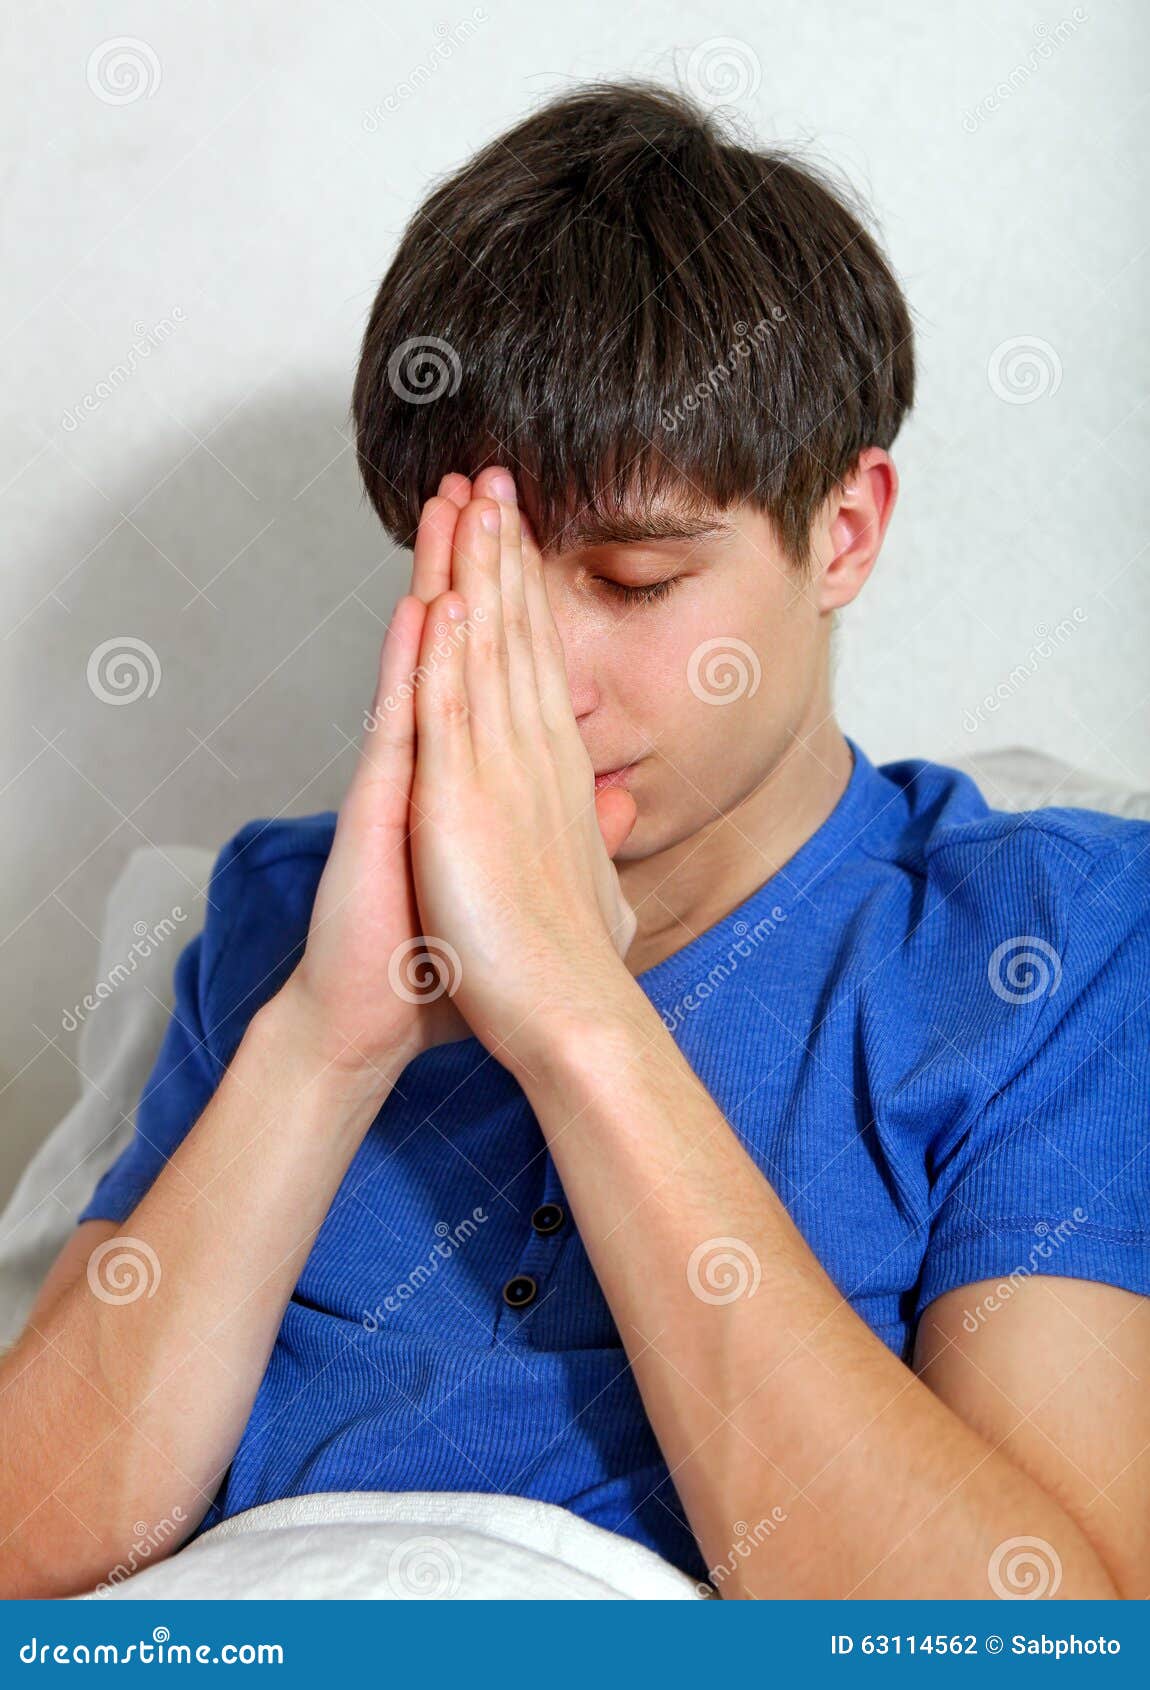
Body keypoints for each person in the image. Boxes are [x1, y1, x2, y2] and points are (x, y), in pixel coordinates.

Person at [3, 81, 1148, 1602]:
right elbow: (25, 1555)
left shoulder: (1043, 946)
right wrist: (328, 1045)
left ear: (844, 531)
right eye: (476, 577)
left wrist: (576, 1018)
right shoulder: (288, 914)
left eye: (631, 579)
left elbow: (1034, 1639)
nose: (543, 683)